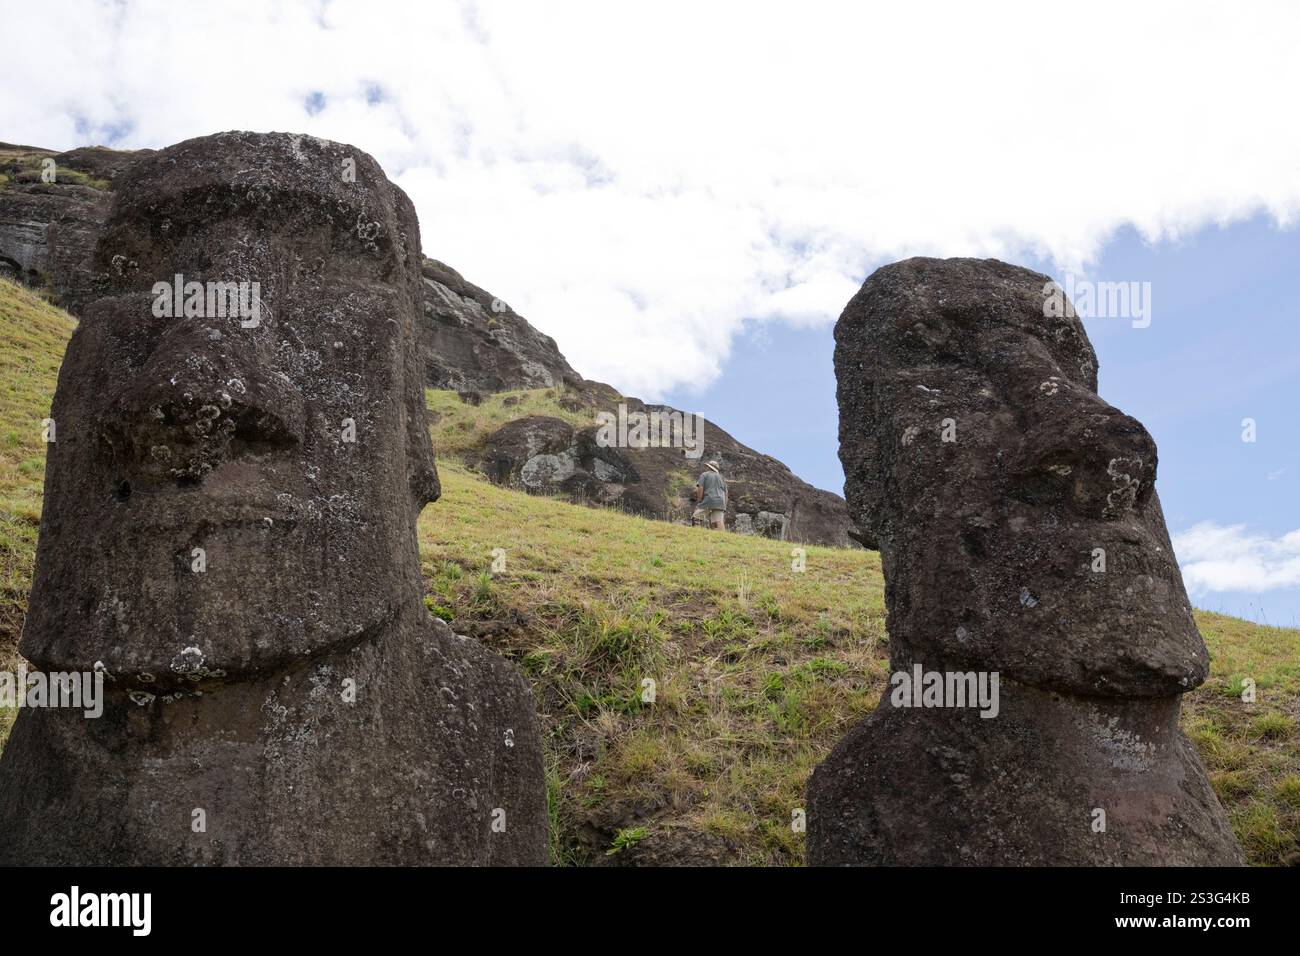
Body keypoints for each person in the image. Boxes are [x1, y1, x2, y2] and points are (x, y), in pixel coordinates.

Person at [694, 460, 727, 530]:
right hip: (721, 502)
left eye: (707, 466)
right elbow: (726, 493)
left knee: (696, 518)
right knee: (717, 523)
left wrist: (699, 500)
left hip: (709, 500)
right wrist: (724, 506)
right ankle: (723, 538)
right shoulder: (722, 478)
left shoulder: (704, 475)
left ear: (709, 467)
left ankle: (696, 535)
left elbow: (700, 487)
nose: (706, 468)